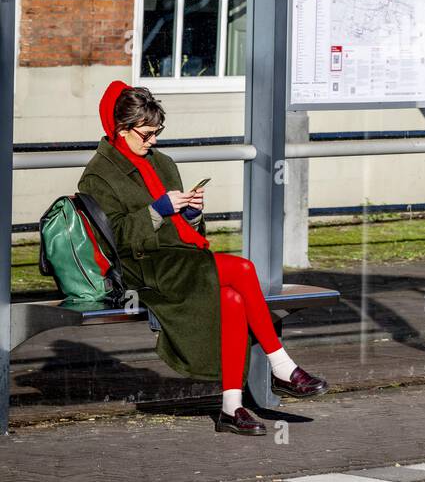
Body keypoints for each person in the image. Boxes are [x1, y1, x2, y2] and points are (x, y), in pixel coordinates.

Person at [77, 81, 328, 436]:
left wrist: (192, 214)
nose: (153, 142)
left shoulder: (161, 163)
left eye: (157, 133)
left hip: (176, 259)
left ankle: (231, 407)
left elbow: (184, 230)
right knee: (242, 269)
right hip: (142, 267)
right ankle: (281, 365)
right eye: (147, 134)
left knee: (232, 297)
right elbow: (113, 238)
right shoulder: (98, 175)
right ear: (120, 128)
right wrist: (156, 211)